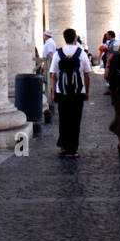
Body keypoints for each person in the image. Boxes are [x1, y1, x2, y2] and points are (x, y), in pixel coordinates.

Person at [49, 27, 91, 158]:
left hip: (62, 92)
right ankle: (73, 150)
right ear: (75, 38)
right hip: (78, 92)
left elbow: (53, 75)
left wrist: (53, 92)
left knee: (64, 119)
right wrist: (86, 91)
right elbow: (86, 74)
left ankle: (63, 146)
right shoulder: (81, 53)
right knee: (75, 120)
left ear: (64, 38)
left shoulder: (58, 53)